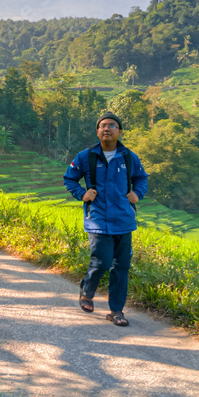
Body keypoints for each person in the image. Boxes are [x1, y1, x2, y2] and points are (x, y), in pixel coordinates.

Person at [63, 111, 148, 327]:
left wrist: (137, 193)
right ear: (97, 131)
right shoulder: (86, 156)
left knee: (121, 266)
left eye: (112, 125)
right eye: (103, 125)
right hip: (98, 219)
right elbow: (69, 178)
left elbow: (141, 178)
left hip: (123, 220)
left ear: (120, 132)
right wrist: (82, 194)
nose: (107, 129)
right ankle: (87, 290)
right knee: (102, 261)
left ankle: (116, 311)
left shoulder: (129, 157)